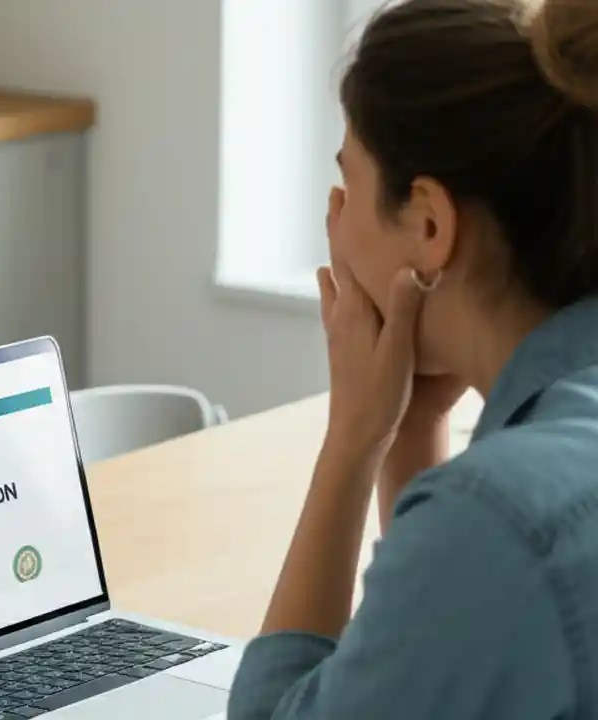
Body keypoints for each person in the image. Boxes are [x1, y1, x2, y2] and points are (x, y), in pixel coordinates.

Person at [228, 0, 598, 717]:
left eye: (350, 187)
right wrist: (411, 424)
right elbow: (434, 674)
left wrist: (350, 443)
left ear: (429, 226)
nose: (333, 222)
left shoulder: (497, 519)